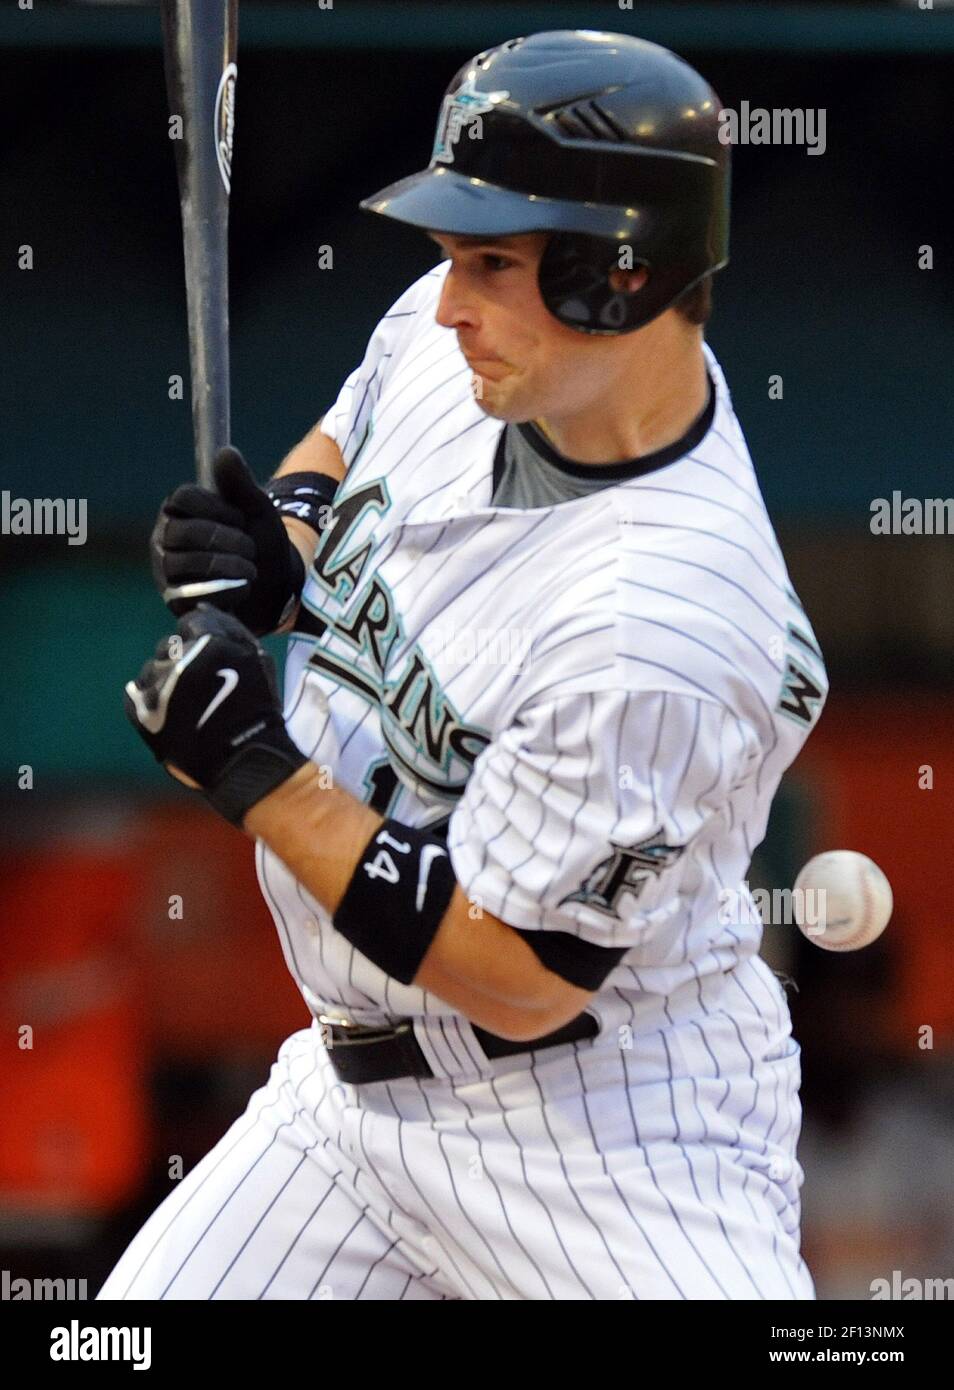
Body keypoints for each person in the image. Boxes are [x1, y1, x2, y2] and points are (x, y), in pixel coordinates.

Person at [101, 30, 827, 1301]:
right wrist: (285, 540)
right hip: (344, 1108)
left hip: (600, 1132)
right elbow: (352, 425)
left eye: (493, 260)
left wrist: (258, 773)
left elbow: (520, 977)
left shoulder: (663, 613)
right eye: (452, 252)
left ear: (619, 275)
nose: (449, 302)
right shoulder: (481, 351)